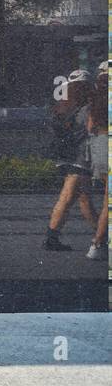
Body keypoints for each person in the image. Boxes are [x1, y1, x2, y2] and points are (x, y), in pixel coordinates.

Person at [44, 69, 96, 251]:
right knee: (72, 198)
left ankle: (53, 238)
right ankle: (101, 239)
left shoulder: (64, 104)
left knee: (80, 198)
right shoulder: (87, 106)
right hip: (80, 156)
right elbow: (91, 129)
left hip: (65, 154)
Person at [85, 71, 108, 260]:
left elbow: (90, 127)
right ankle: (97, 243)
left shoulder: (96, 102)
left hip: (99, 145)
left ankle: (97, 244)